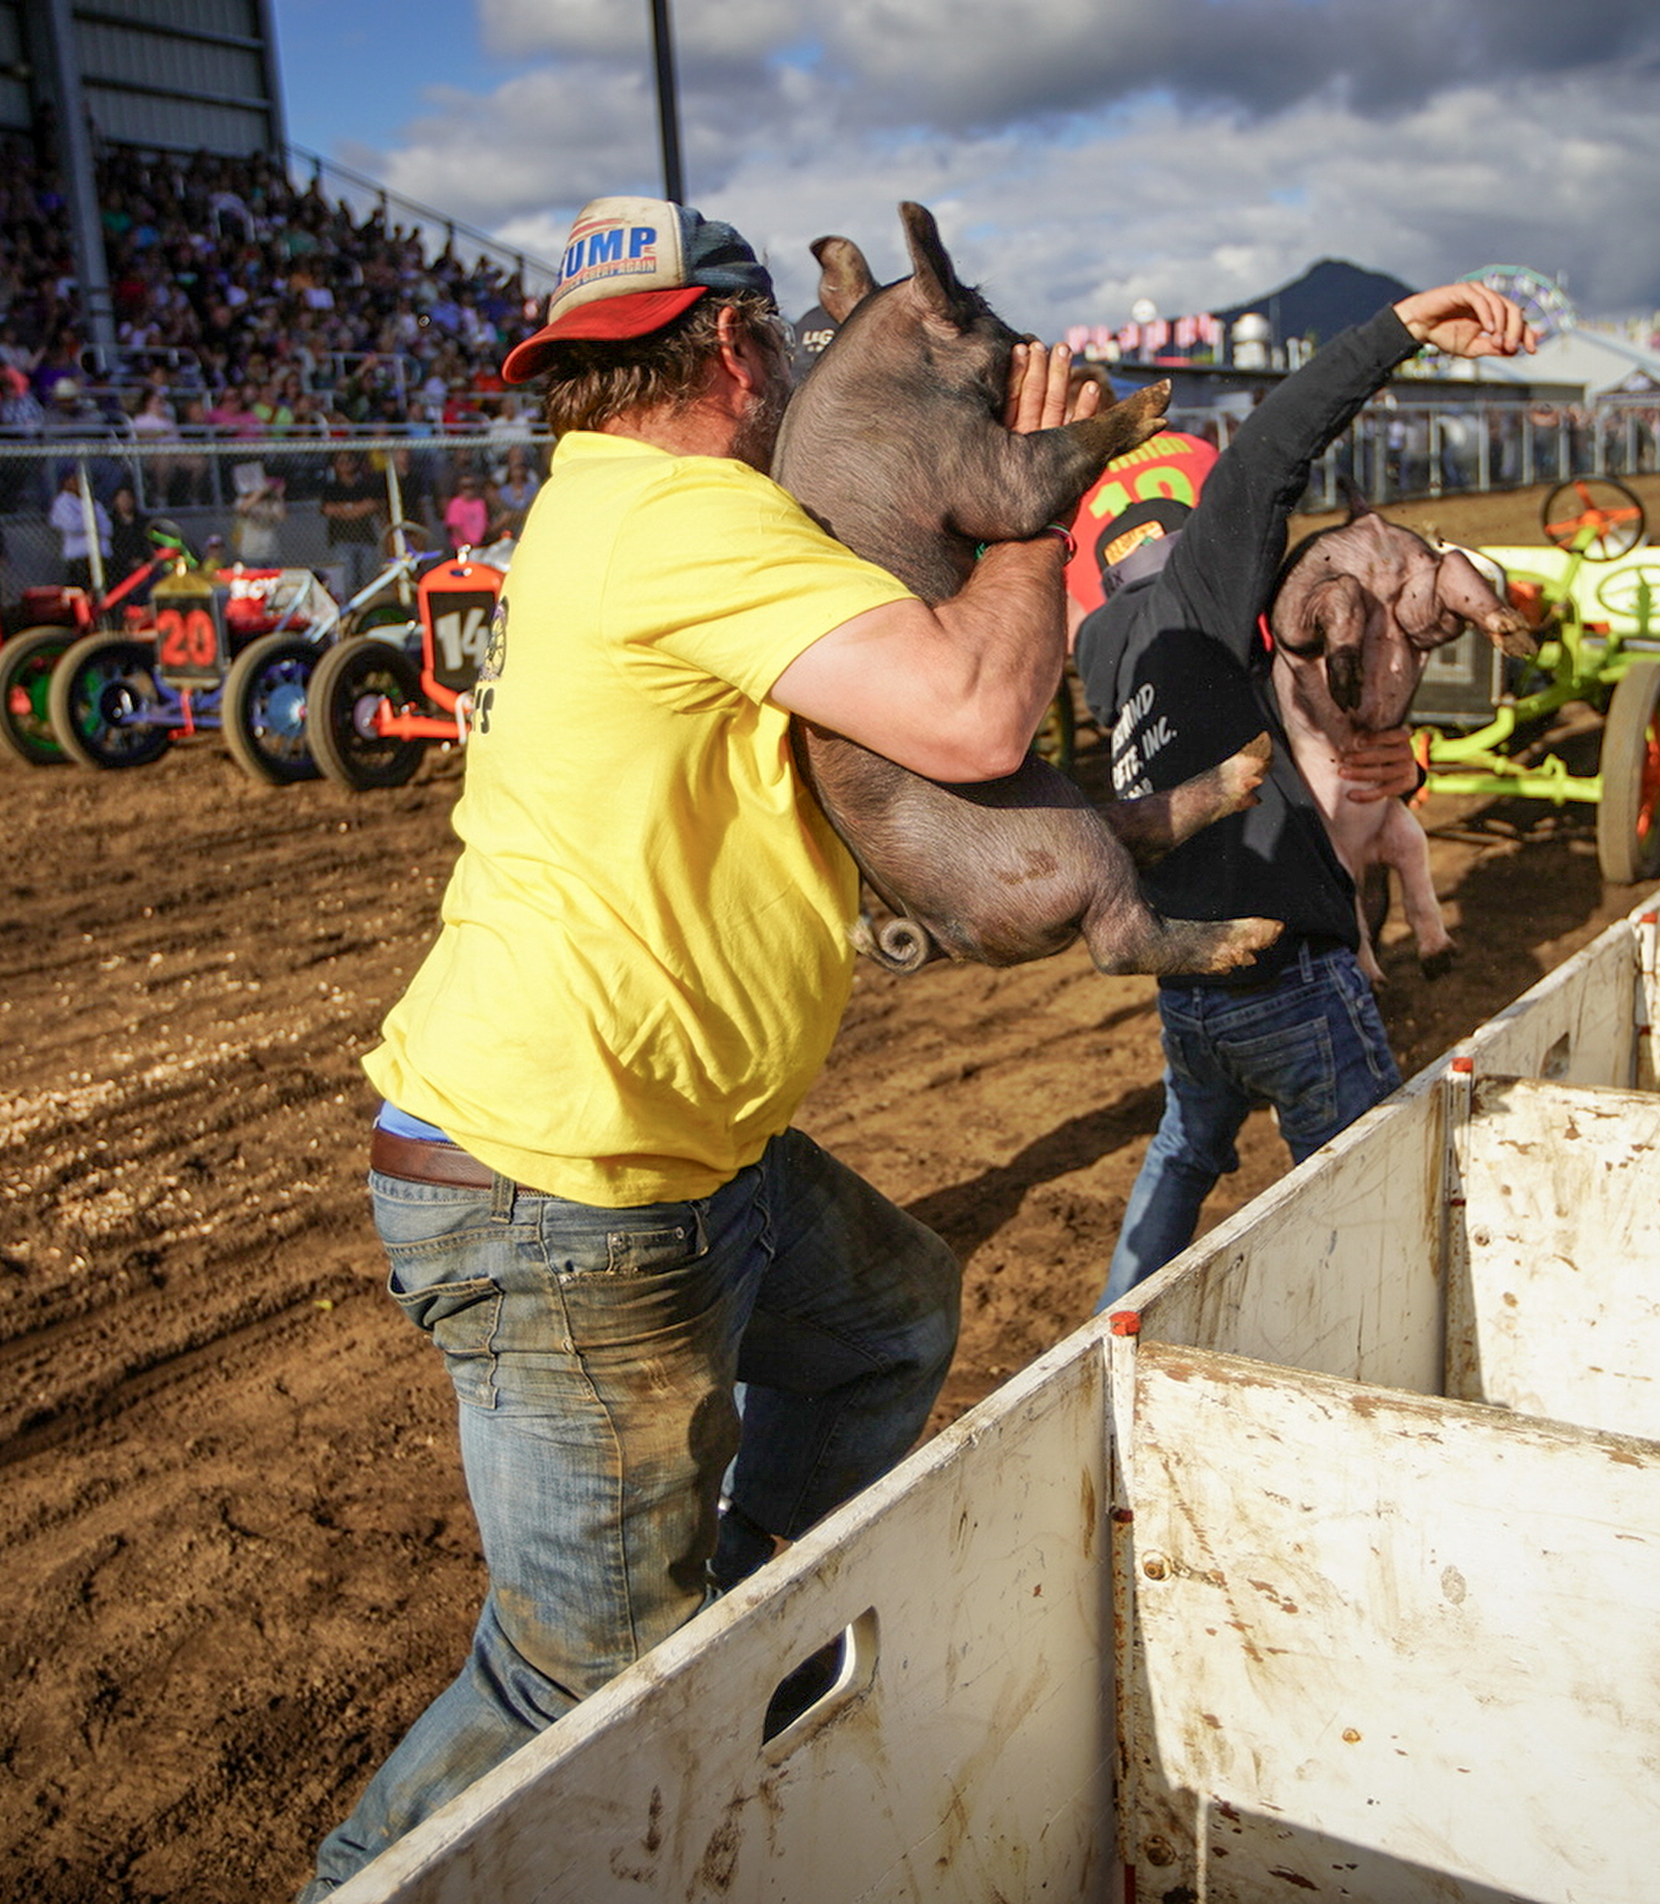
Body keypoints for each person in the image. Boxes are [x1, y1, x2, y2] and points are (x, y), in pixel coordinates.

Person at [296, 193, 1086, 1899]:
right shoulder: (682, 520)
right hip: (570, 1191)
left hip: (654, 1146)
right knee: (572, 1676)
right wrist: (1035, 512)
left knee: (885, 1316)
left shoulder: (597, 503)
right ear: (737, 344)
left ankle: (725, 1652)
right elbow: (972, 710)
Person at [1072, 280, 1537, 1307]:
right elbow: (1271, 449)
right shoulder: (1204, 594)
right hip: (1291, 970)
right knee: (1357, 1182)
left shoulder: (1106, 656)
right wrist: (1400, 330)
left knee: (1187, 1148)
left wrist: (1393, 761)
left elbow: (1296, 735)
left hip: (1185, 979)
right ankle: (1363, 1350)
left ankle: (1114, 1328)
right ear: (1191, 542)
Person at [316, 447, 385, 601]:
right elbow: (328, 509)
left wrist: (346, 509)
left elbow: (372, 505)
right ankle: (350, 608)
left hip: (365, 538)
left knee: (367, 579)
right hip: (342, 539)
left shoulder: (365, 485)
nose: (345, 465)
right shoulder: (332, 488)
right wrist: (355, 509)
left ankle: (366, 607)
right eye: (341, 462)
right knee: (347, 579)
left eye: (349, 461)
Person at [48, 462, 111, 593]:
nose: (80, 482)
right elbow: (73, 527)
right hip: (78, 558)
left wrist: (89, 526)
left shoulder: (94, 503)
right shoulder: (62, 502)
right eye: (75, 479)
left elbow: (108, 528)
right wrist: (92, 525)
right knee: (82, 594)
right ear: (66, 481)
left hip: (101, 556)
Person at [441, 465, 492, 550]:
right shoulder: (455, 504)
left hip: (480, 546)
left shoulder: (480, 503)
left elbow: (484, 524)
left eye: (471, 486)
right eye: (465, 487)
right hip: (462, 547)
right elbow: (456, 529)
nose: (468, 490)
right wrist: (469, 544)